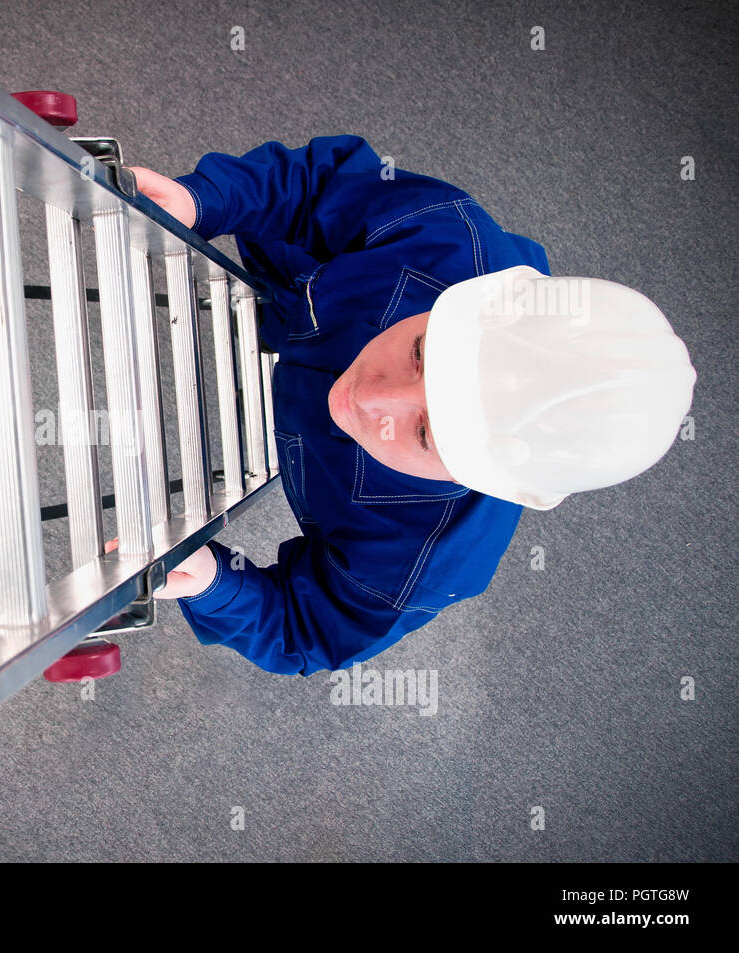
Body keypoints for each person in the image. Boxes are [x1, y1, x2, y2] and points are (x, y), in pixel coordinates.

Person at [124, 136, 696, 676]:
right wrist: (207, 200)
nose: (367, 395)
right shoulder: (451, 241)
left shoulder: (422, 562)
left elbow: (305, 631)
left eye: (426, 433)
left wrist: (214, 583)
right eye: (421, 353)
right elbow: (317, 187)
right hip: (302, 297)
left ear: (483, 478)